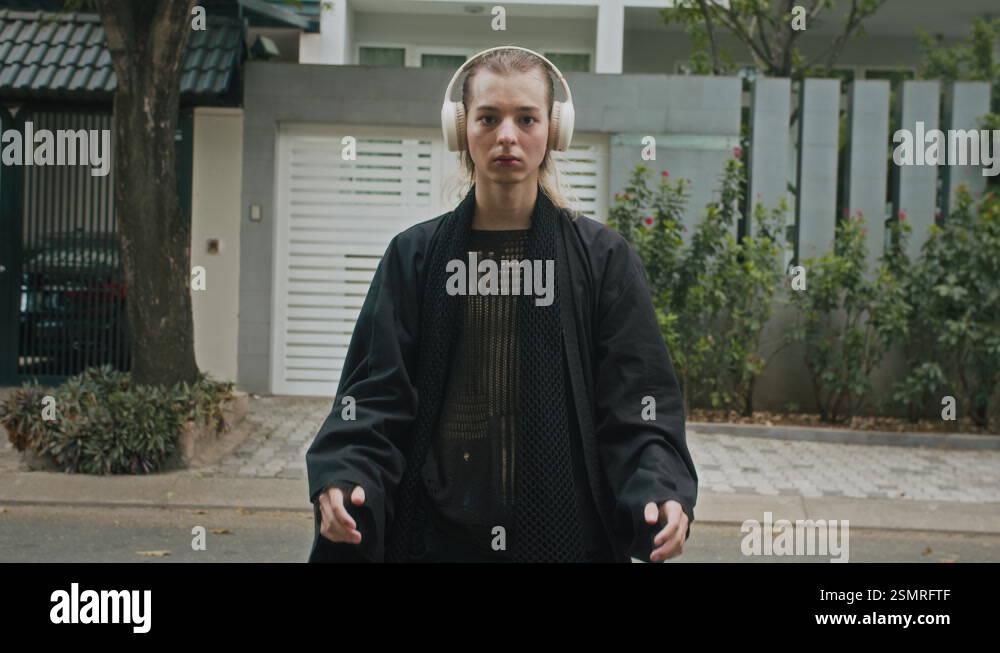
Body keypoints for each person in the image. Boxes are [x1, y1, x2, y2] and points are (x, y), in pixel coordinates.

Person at [306, 46, 698, 563]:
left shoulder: (604, 261)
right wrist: (347, 473)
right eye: (489, 118)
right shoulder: (415, 257)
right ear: (461, 128)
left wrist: (659, 488)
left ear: (554, 130)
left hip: (565, 536)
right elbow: (374, 396)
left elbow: (637, 404)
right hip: (434, 535)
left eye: (526, 118)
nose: (507, 135)